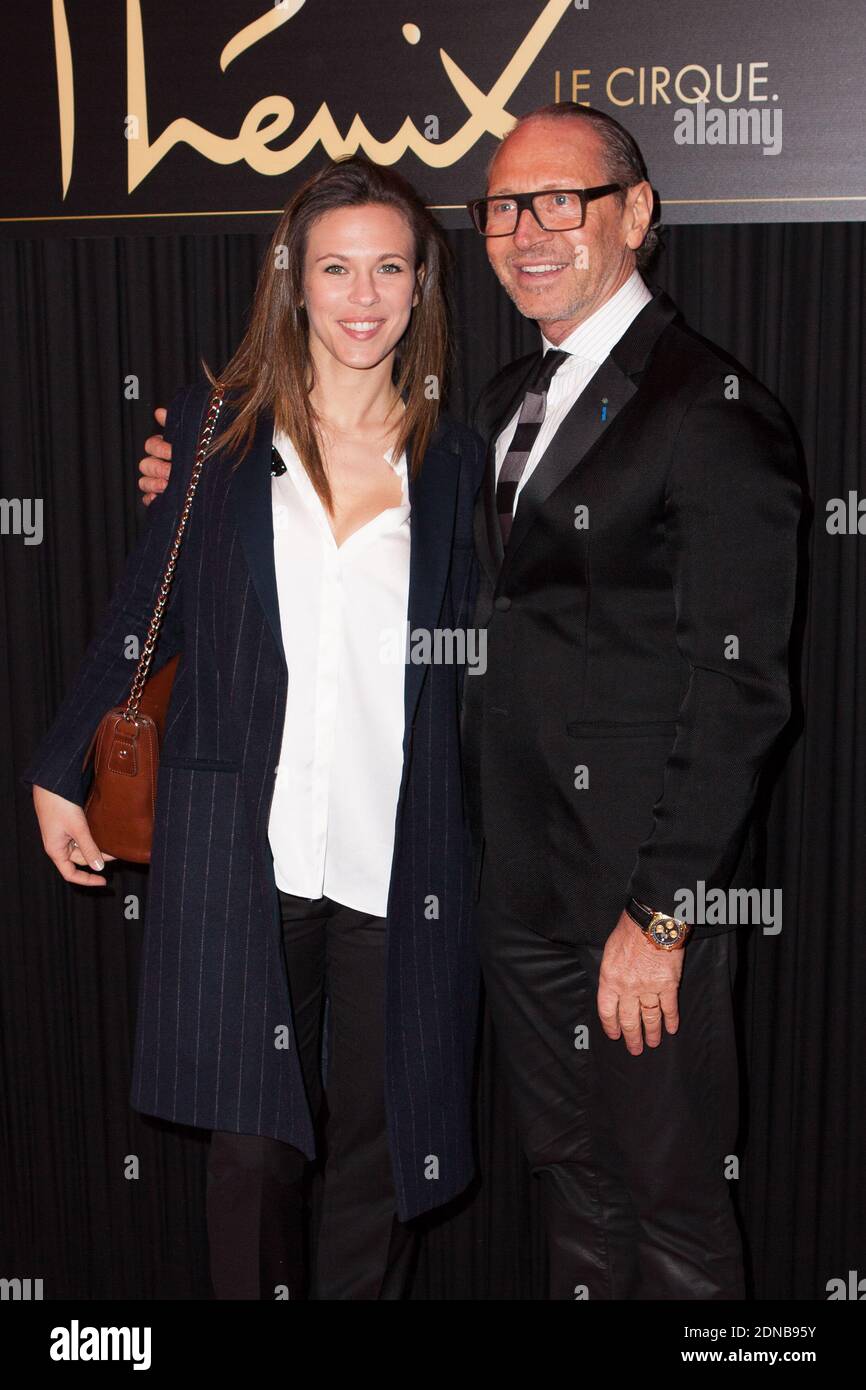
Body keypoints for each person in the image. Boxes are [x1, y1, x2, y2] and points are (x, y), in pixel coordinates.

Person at [137, 106, 803, 1301]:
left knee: (675, 1210)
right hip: (513, 890)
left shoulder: (711, 411)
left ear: (635, 215)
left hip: (635, 909)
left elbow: (740, 690)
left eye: (562, 200)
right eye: (502, 206)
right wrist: (201, 462)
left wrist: (659, 916)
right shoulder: (490, 410)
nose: (526, 229)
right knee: (576, 1187)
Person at [21, 154, 485, 1300]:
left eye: (389, 266)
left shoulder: (462, 461)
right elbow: (147, 608)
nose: (363, 294)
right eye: (335, 267)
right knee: (251, 1154)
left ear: (422, 285)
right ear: (292, 282)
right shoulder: (217, 437)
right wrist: (58, 762)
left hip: (401, 856)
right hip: (247, 851)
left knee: (381, 1162)